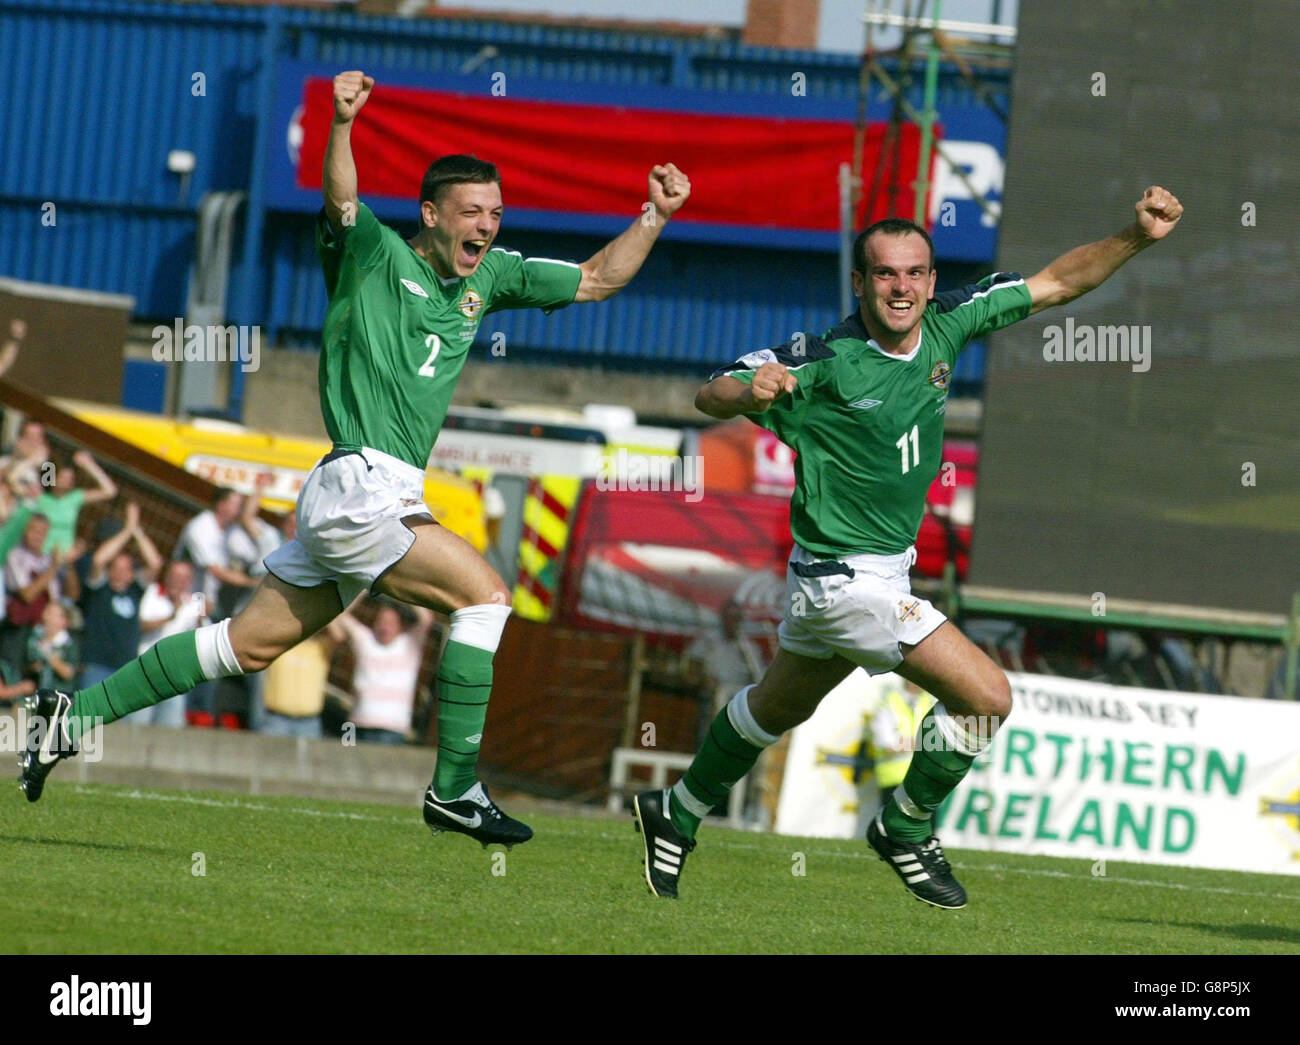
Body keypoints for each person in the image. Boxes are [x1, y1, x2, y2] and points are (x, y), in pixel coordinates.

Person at [21, 68, 690, 849]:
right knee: (485, 599)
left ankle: (71, 717)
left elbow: (598, 280)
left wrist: (655, 214)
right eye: (471, 212)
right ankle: (454, 789)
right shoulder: (371, 253)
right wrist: (343, 125)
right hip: (361, 481)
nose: (487, 225)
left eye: (496, 213)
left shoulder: (492, 277)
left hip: (360, 492)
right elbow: (342, 198)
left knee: (246, 643)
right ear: (431, 214)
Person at [633, 186, 1184, 906]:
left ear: (930, 278)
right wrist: (748, 391)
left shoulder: (950, 321)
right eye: (885, 273)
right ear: (859, 282)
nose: (902, 287)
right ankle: (905, 823)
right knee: (987, 695)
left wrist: (1135, 236)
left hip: (862, 573)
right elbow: (711, 393)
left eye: (915, 272)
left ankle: (674, 812)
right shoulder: (823, 358)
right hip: (845, 583)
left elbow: (1057, 281)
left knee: (774, 708)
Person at [77, 502, 162, 690]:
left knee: (121, 721)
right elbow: (99, 559)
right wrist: (127, 531)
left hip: (125, 669)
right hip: (96, 665)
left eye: (127, 569)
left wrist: (136, 531)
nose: (122, 573)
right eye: (117, 568)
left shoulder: (135, 591)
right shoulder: (100, 588)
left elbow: (155, 563)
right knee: (89, 718)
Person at [336, 598, 434, 745]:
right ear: (374, 623)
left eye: (390, 623)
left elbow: (426, 619)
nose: (384, 626)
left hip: (392, 730)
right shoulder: (365, 640)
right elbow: (340, 615)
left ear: (399, 626)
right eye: (381, 621)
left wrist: (403, 589)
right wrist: (362, 590)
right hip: (356, 725)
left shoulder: (409, 645)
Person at [126, 560, 210, 728]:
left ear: (189, 581)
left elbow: (204, 637)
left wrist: (201, 618)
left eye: (183, 578)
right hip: (147, 670)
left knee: (171, 726)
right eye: (175, 576)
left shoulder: (194, 602)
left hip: (175, 675)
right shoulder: (154, 592)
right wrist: (171, 615)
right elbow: (142, 625)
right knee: (137, 724)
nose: (178, 581)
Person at [33, 449, 118, 556]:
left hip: (64, 559)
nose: (66, 481)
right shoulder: (41, 497)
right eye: (63, 477)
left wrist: (89, 465)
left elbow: (110, 491)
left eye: (69, 479)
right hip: (39, 555)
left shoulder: (74, 498)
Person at [27, 600, 79, 693]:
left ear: (64, 621)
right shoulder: (36, 636)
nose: (46, 617)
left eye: (51, 614)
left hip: (60, 694)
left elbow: (68, 673)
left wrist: (47, 653)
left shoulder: (68, 644)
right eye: (46, 612)